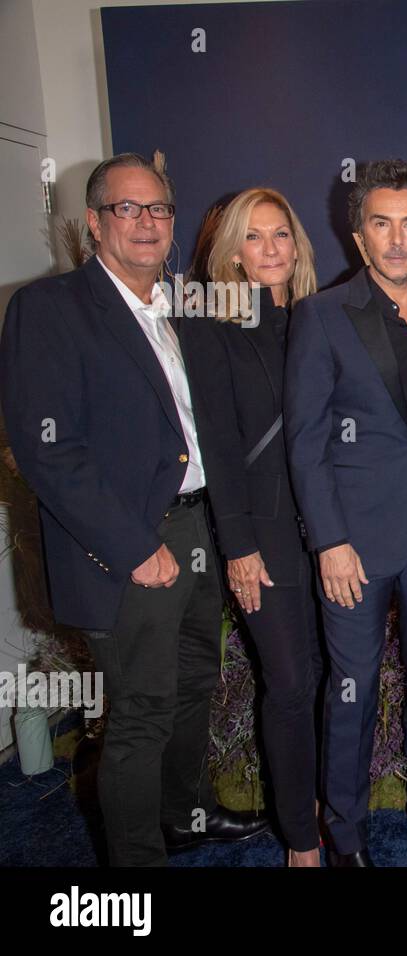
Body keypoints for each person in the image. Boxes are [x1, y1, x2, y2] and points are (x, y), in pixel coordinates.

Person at [0, 153, 267, 865]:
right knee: (141, 715)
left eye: (158, 210)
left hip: (200, 529)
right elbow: (48, 450)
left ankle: (186, 814)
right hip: (134, 546)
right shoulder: (49, 310)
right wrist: (131, 547)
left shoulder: (180, 304)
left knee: (193, 688)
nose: (147, 223)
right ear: (93, 223)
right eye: (128, 208)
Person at [284, 159, 407, 868]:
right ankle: (345, 833)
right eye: (380, 224)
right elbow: (305, 442)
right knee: (351, 690)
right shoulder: (321, 316)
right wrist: (329, 541)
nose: (396, 239)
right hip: (354, 542)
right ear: (358, 237)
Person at [179, 187, 325, 867]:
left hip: (328, 530)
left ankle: (316, 802)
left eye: (282, 235)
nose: (271, 248)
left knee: (326, 676)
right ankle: (300, 838)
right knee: (290, 682)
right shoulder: (211, 325)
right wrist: (236, 546)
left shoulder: (316, 317)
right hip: (262, 538)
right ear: (232, 250)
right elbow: (216, 444)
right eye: (255, 236)